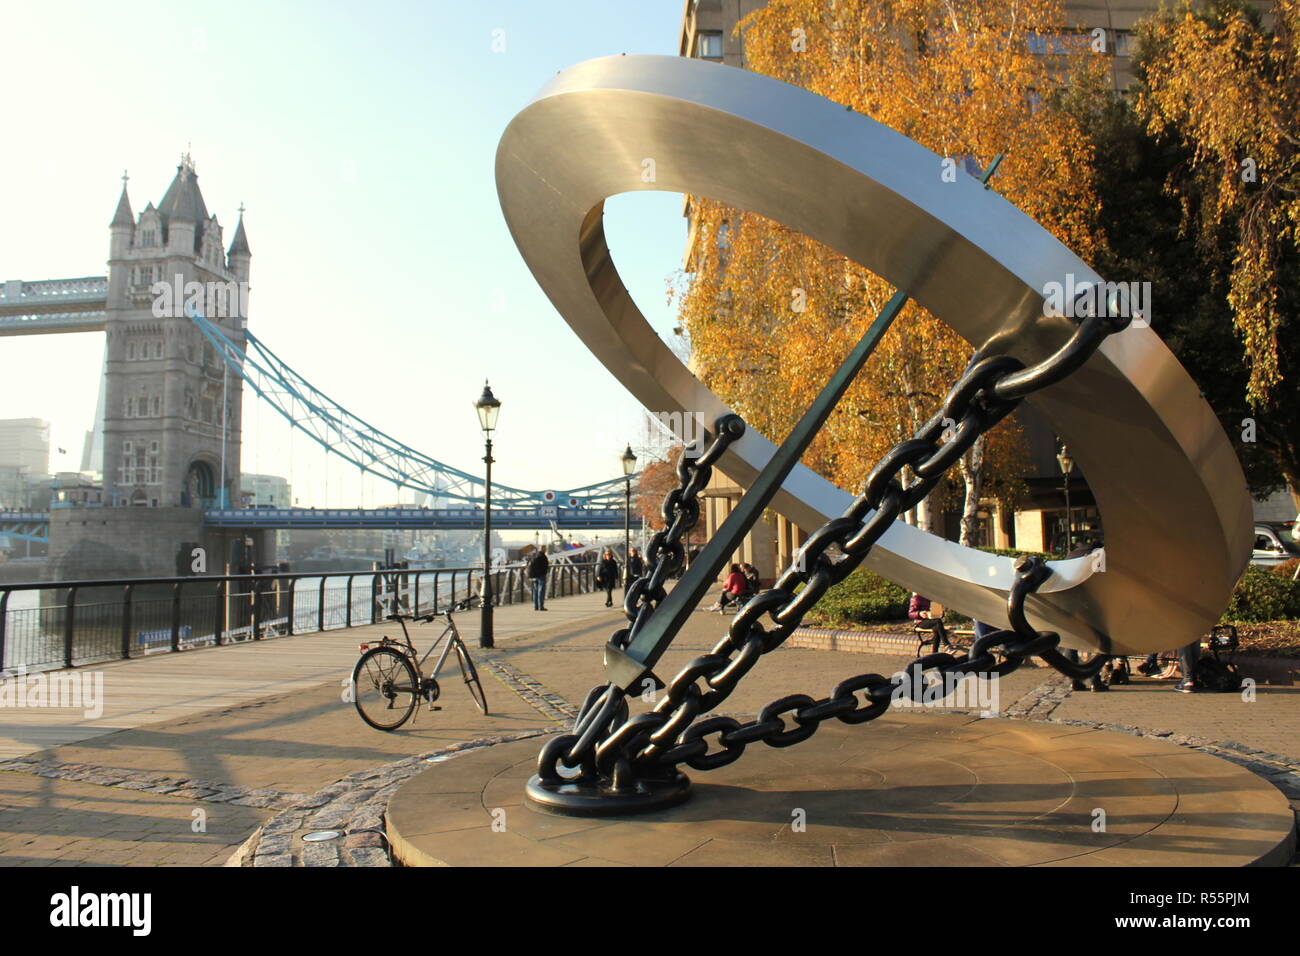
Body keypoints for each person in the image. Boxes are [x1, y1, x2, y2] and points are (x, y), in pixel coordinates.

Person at [526, 547, 550, 611]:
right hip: (541, 575)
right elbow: (545, 565)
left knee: (535, 591)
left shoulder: (534, 555)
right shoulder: (542, 556)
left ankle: (535, 606)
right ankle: (540, 606)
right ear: (544, 549)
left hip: (533, 575)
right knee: (541, 591)